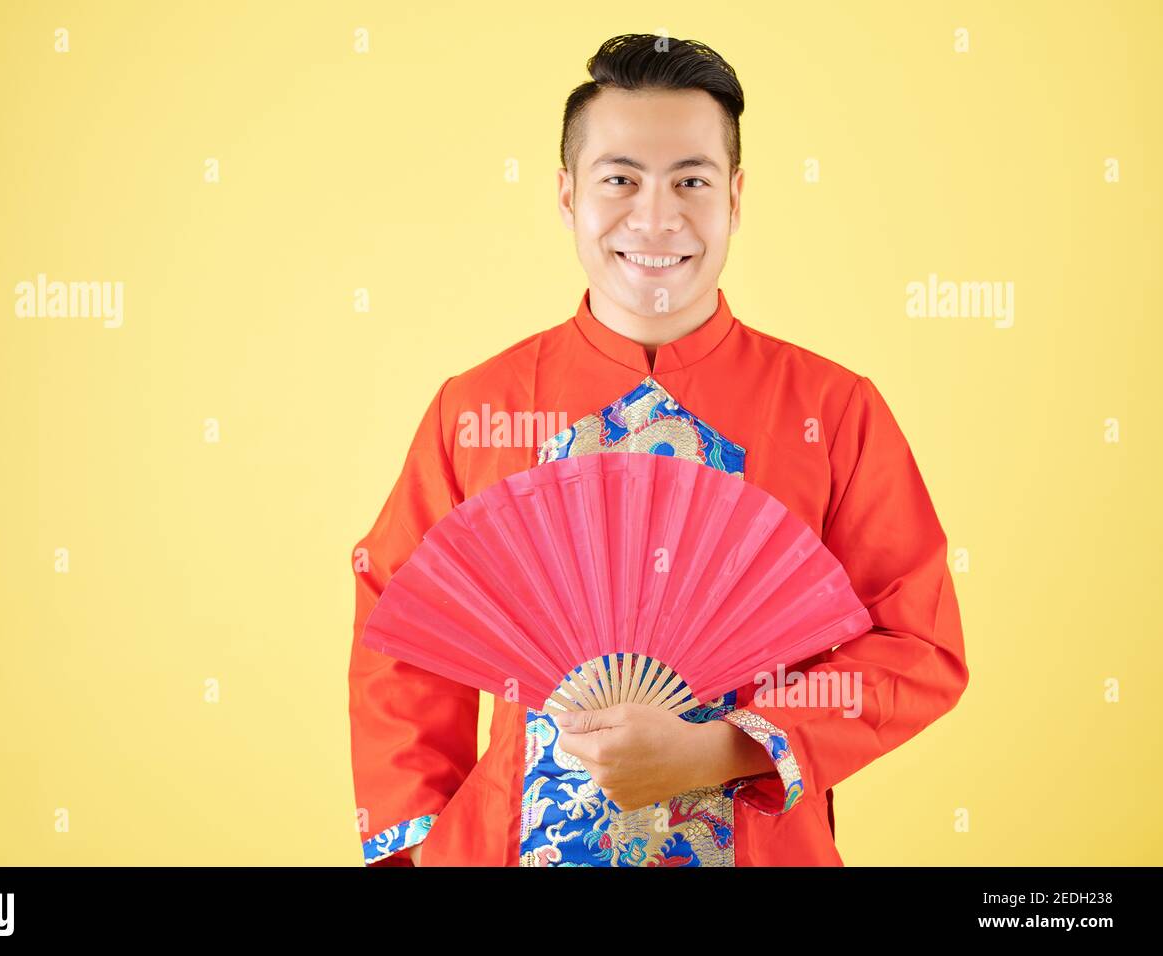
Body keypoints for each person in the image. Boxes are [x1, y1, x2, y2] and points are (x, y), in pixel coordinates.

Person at [348, 33, 968, 866]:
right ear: (567, 195)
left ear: (736, 197)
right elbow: (401, 636)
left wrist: (724, 750)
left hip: (764, 845)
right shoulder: (479, 408)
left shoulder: (833, 408)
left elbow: (917, 644)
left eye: (691, 181)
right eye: (620, 180)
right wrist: (419, 846)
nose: (655, 217)